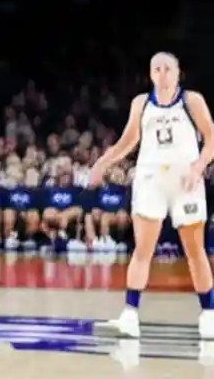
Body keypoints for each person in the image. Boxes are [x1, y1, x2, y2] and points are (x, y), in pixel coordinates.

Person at [90, 52, 214, 339]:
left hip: (185, 180)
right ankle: (130, 316)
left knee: (195, 250)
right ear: (150, 74)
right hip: (151, 180)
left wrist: (198, 167)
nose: (162, 73)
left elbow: (211, 140)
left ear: (177, 73)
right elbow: (128, 141)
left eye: (167, 68)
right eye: (156, 69)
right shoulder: (141, 103)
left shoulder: (191, 100)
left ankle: (208, 314)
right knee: (142, 250)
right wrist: (102, 163)